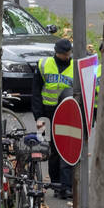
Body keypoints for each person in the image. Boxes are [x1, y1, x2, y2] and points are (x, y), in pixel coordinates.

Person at [32, 38, 75, 196]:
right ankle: (57, 185)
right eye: (64, 54)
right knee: (53, 150)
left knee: (65, 148)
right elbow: (36, 91)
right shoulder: (44, 65)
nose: (66, 56)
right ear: (57, 53)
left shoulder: (74, 66)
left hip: (67, 112)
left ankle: (66, 186)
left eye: (68, 53)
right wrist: (38, 116)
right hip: (49, 111)